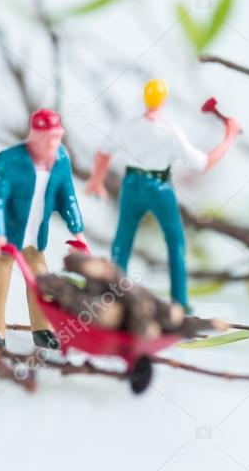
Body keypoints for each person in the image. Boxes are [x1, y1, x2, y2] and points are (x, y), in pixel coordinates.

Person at [85, 79, 240, 310]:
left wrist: (97, 180)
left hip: (132, 184)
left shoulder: (127, 125)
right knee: (175, 242)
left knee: (123, 239)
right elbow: (203, 164)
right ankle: (179, 301)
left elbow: (103, 153)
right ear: (164, 100)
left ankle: (114, 295)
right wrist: (229, 137)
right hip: (159, 188)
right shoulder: (170, 132)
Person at [0, 108, 86, 351]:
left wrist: (78, 232)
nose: (53, 143)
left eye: (57, 137)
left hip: (34, 237)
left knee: (42, 282)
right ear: (34, 135)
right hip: (5, 236)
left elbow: (67, 197)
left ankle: (43, 329)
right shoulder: (9, 160)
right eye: (48, 138)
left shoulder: (61, 159)